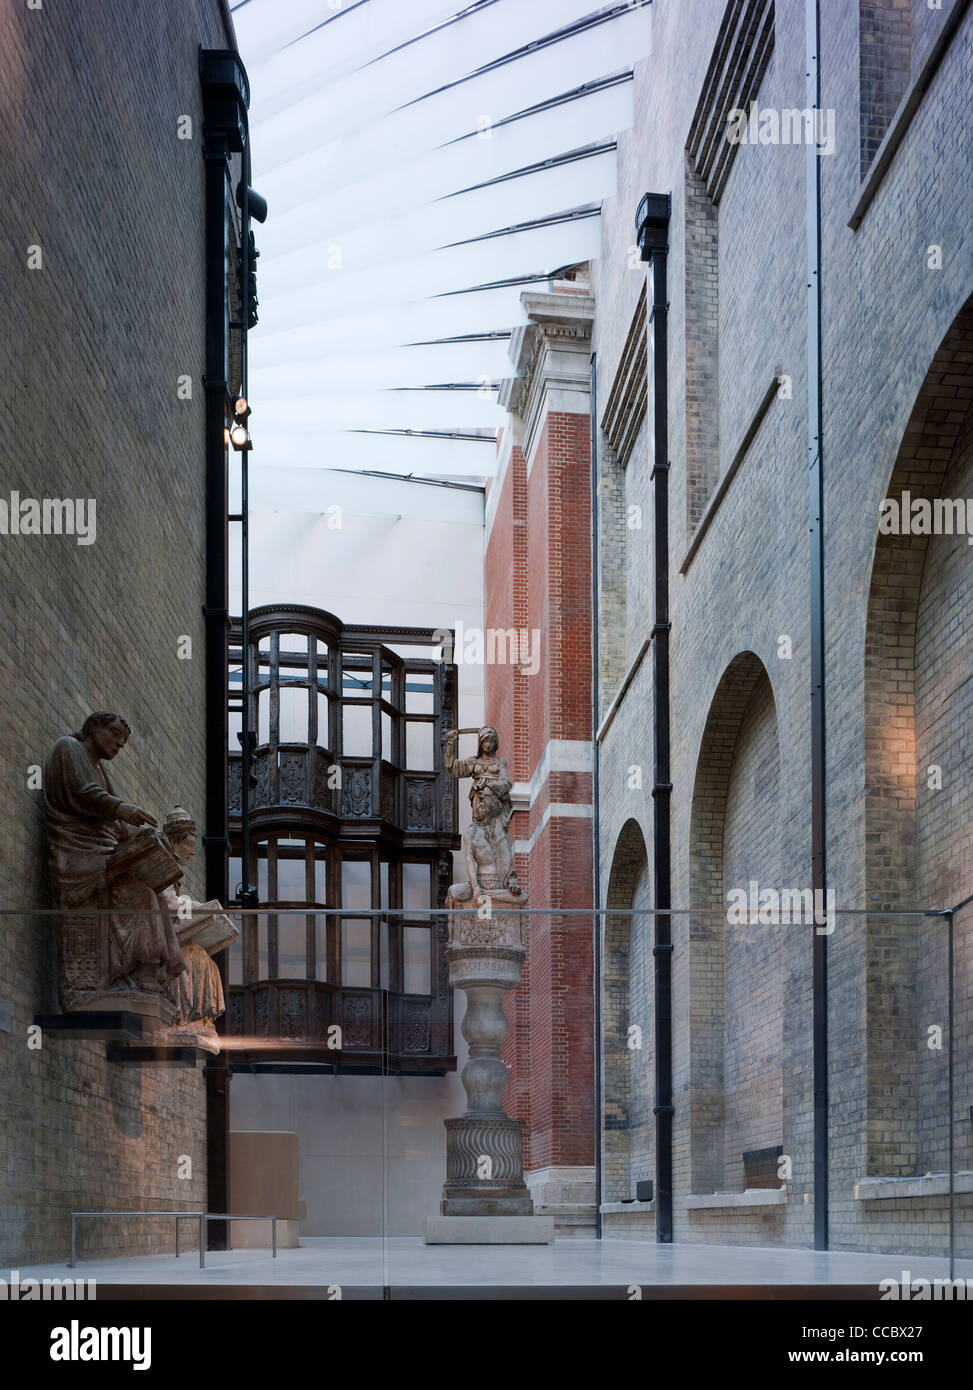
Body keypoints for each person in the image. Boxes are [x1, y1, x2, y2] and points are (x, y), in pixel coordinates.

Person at [44, 711, 184, 1007]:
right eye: (114, 738)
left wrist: (143, 837)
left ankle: (149, 972)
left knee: (153, 890)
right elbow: (83, 795)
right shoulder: (68, 748)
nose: (117, 747)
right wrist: (122, 809)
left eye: (122, 746)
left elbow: (116, 824)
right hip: (78, 855)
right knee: (140, 892)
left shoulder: (99, 768)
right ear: (94, 727)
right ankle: (126, 975)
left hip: (104, 851)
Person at [160, 807, 238, 1052]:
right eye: (189, 844)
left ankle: (199, 1021)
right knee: (194, 957)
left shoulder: (170, 869)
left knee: (204, 959)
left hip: (166, 931)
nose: (193, 851)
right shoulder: (161, 867)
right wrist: (200, 909)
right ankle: (181, 1020)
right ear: (174, 842)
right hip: (155, 934)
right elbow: (167, 905)